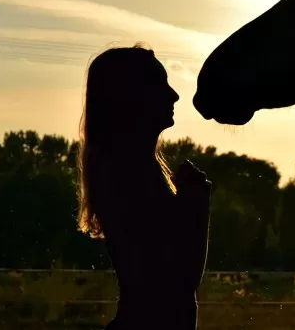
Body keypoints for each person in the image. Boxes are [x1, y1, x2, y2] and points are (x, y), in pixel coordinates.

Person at [75, 44, 212, 329]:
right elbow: (181, 281)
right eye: (160, 85)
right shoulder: (130, 175)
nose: (174, 95)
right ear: (132, 97)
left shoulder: (122, 169)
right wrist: (196, 203)